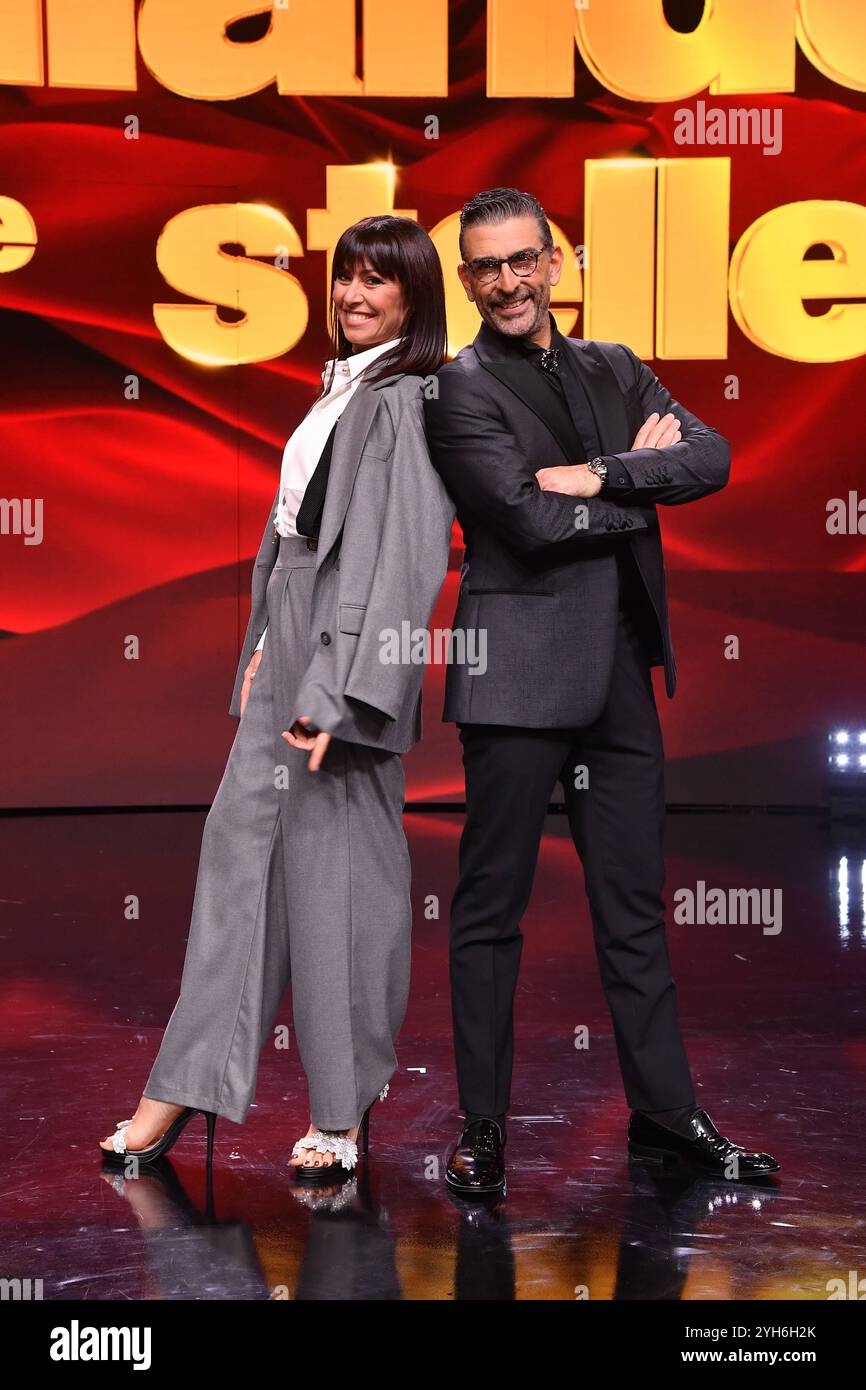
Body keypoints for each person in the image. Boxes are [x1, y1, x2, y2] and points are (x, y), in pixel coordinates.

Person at [423, 187, 780, 1193]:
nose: (504, 281)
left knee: (632, 905)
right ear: (465, 282)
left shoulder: (613, 365)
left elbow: (708, 457)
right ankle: (482, 1131)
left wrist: (590, 475)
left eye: (519, 260)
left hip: (620, 674)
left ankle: (665, 1115)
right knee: (489, 911)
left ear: (554, 260)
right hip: (516, 680)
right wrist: (630, 484)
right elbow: (526, 524)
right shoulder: (460, 389)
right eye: (483, 267)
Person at [99, 215, 455, 1182]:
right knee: (237, 864)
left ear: (416, 298)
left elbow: (407, 563)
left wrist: (341, 690)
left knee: (337, 886)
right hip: (291, 638)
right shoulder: (339, 390)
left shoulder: (409, 399)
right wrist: (263, 645)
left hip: (343, 657)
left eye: (379, 281)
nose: (353, 295)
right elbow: (292, 538)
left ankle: (340, 1112)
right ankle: (181, 1085)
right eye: (346, 276)